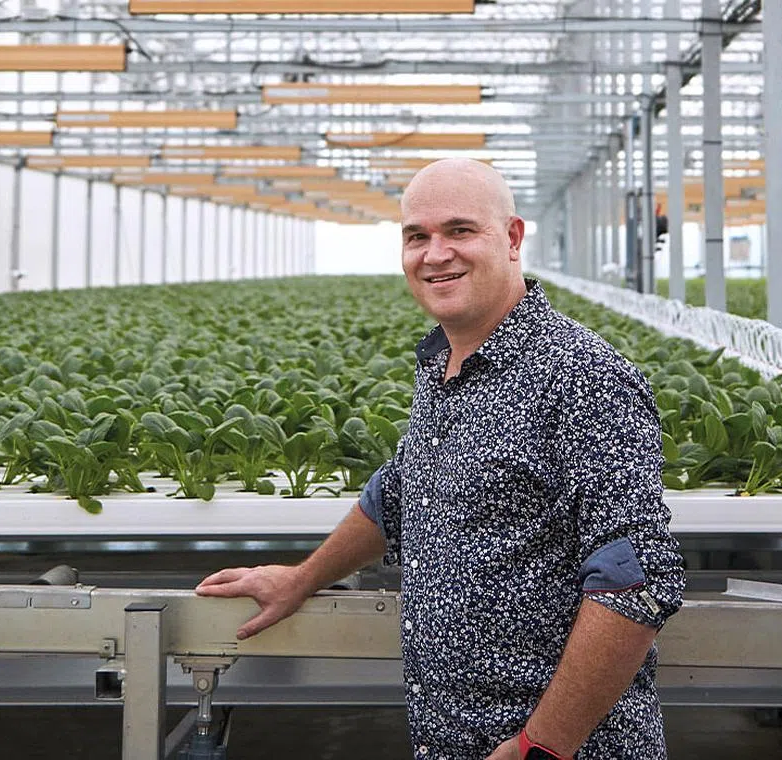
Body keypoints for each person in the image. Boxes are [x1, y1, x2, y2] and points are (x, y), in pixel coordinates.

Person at [196, 158, 686, 760]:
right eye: (416, 236)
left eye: (459, 231)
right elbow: (399, 493)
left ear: (511, 238)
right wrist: (303, 577)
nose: (435, 254)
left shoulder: (584, 379)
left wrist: (545, 743)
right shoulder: (443, 366)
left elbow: (636, 582)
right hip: (452, 735)